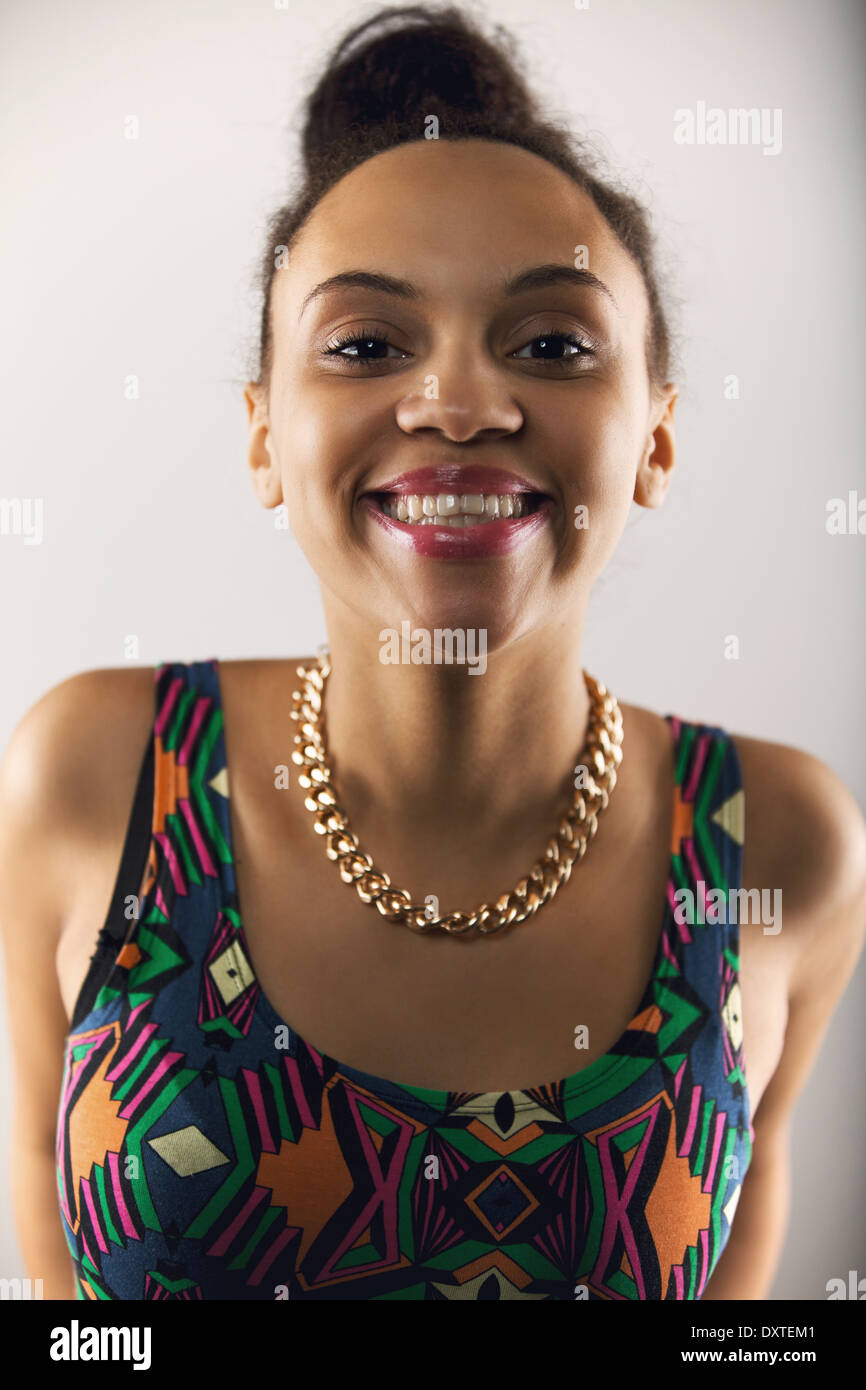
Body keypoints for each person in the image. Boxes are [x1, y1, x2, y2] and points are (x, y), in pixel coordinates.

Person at [1, 4, 864, 1303]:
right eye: (365, 344)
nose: (459, 404)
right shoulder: (93, 774)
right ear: (264, 437)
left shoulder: (784, 845)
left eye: (553, 344)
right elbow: (47, 1207)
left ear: (656, 438)